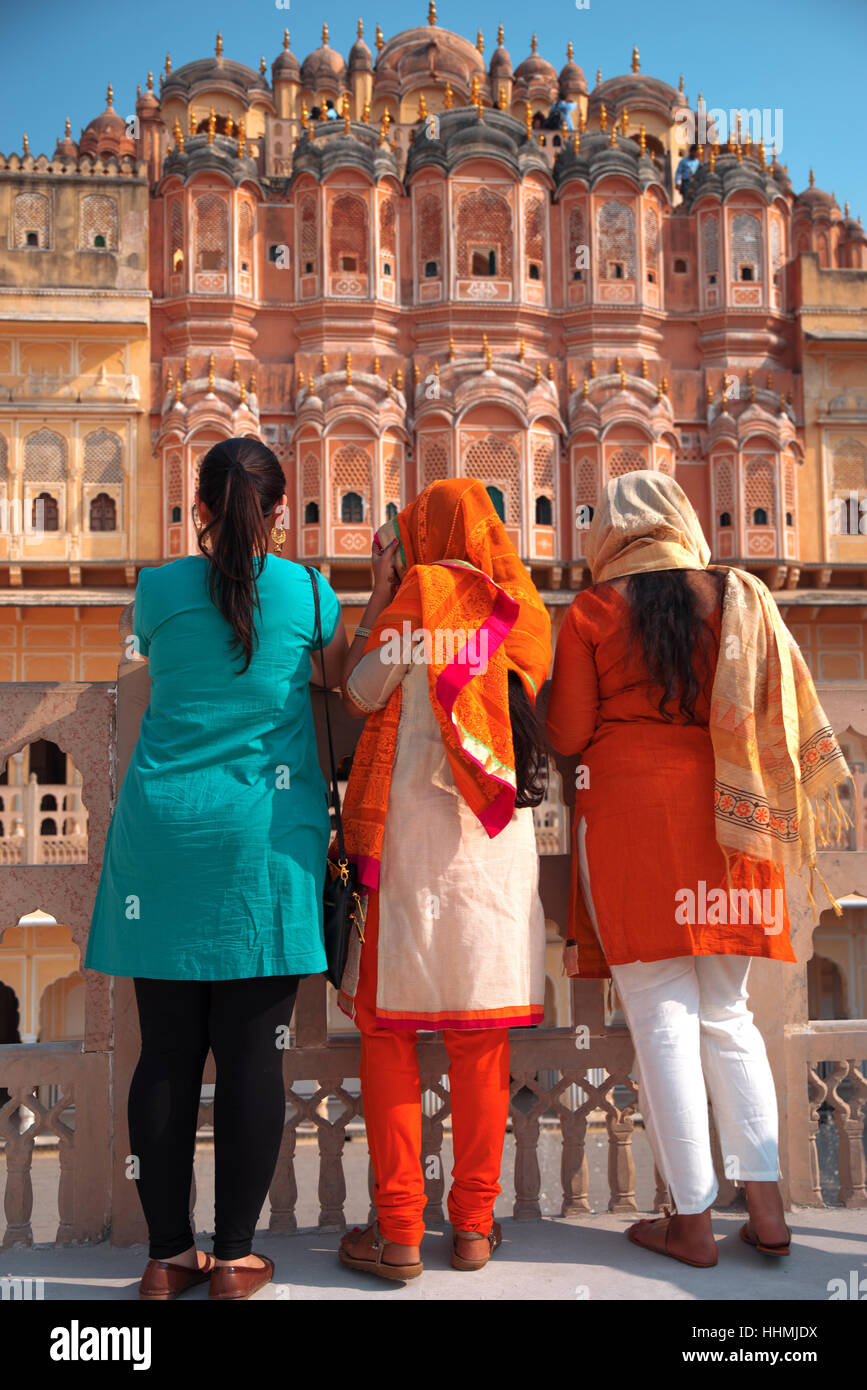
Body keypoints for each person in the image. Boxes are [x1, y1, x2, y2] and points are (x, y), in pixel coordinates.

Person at [546, 470, 852, 1268]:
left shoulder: (589, 612)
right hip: (729, 815)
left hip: (632, 821)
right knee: (728, 1016)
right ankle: (768, 1210)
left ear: (607, 534)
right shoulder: (737, 596)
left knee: (661, 1019)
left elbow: (570, 732)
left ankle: (689, 1220)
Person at [86, 436, 347, 1300]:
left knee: (164, 1052)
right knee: (251, 1059)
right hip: (263, 845)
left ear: (197, 508)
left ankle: (166, 1258)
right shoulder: (309, 593)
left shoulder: (158, 588)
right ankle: (234, 1259)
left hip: (163, 838)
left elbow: (156, 645)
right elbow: (331, 656)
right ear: (279, 512)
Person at [336, 479, 552, 1281]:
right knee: (478, 1036)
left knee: (389, 1031)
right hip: (494, 840)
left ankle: (397, 1234)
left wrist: (382, 593)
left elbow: (359, 693)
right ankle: (472, 1227)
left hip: (408, 847)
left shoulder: (423, 592)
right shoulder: (523, 609)